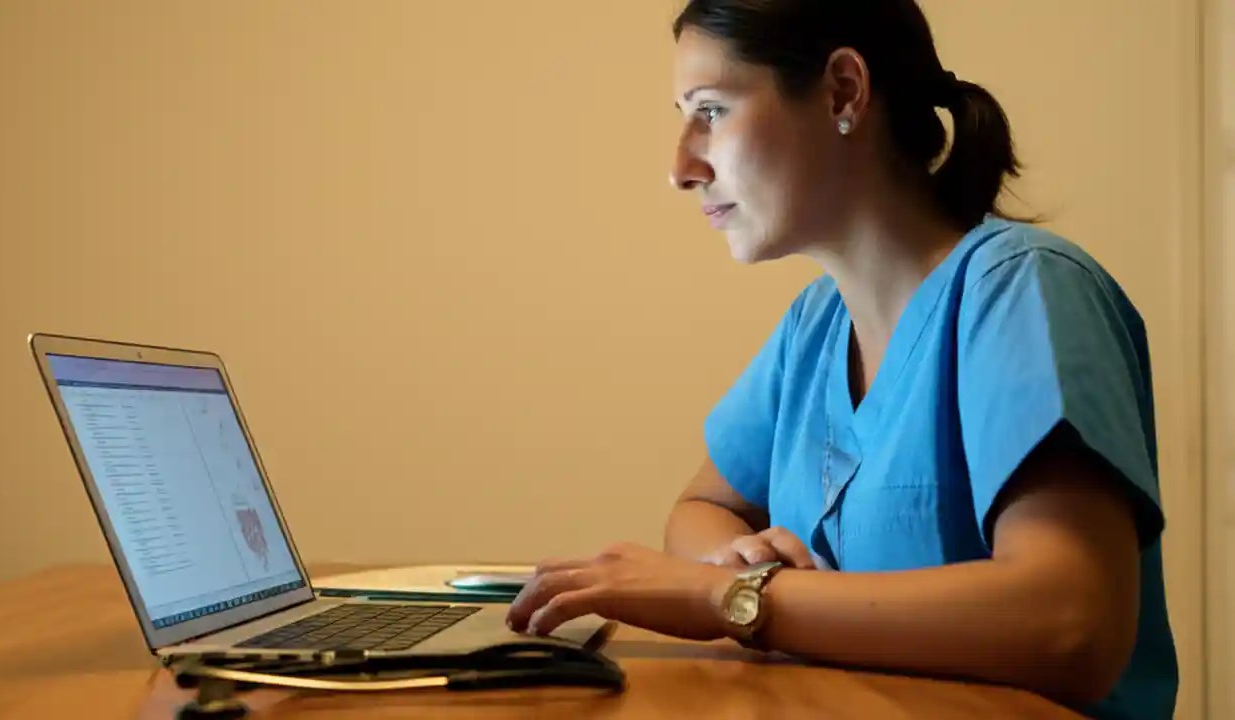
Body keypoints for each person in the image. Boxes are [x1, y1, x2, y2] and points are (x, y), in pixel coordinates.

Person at [504, 1, 1178, 717]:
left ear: (843, 92)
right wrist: (738, 564)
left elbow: (1072, 625)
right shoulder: (814, 327)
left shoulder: (1024, 290)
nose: (680, 167)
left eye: (712, 110)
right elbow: (702, 507)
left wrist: (730, 600)